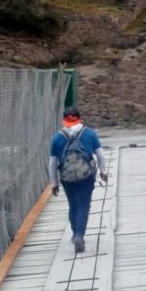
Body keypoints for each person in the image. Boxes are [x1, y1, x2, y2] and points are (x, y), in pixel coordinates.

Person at [49, 106, 108, 253]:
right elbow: (100, 155)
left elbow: (52, 163)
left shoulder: (57, 138)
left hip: (67, 177)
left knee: (73, 204)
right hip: (86, 176)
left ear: (64, 120)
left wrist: (54, 183)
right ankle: (79, 235)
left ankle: (75, 232)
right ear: (79, 118)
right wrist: (103, 171)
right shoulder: (90, 134)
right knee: (83, 204)